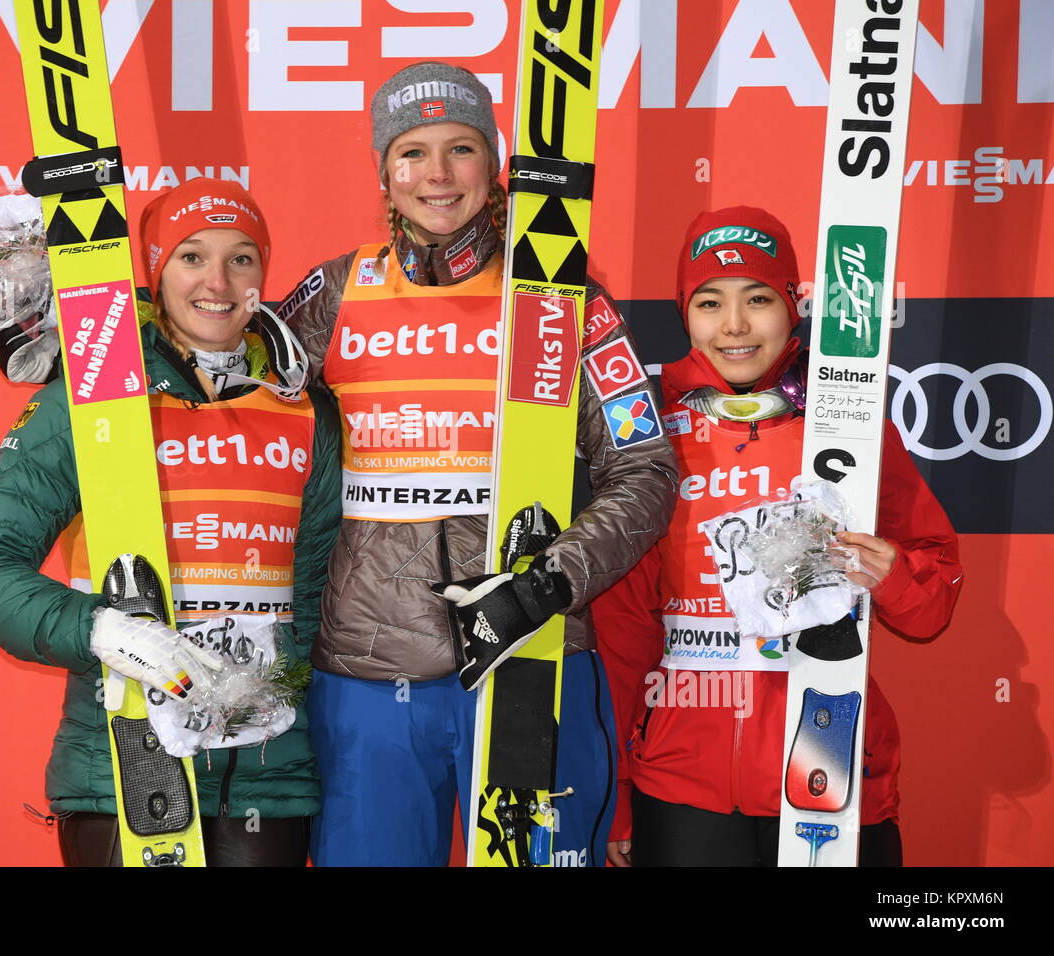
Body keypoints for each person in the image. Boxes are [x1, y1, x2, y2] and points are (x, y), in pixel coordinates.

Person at [275, 61, 679, 866]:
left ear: (493, 163)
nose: (437, 174)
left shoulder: (563, 298)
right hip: (366, 673)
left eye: (461, 149)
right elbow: (217, 386)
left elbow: (646, 467)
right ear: (383, 173)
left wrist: (551, 582)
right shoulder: (335, 291)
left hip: (529, 651)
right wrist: (68, 331)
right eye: (412, 152)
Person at [0, 179, 341, 866]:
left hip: (265, 778)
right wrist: (101, 630)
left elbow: (311, 600)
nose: (218, 281)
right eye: (191, 256)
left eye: (241, 258)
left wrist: (281, 709)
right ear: (157, 272)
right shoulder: (93, 399)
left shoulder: (305, 408)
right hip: (120, 765)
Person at [594, 206, 964, 867]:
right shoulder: (652, 440)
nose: (734, 326)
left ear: (793, 305)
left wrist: (894, 574)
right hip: (684, 779)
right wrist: (617, 791)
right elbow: (624, 631)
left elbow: (933, 603)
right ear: (686, 312)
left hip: (829, 755)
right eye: (710, 302)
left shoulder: (847, 429)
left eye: (757, 299)